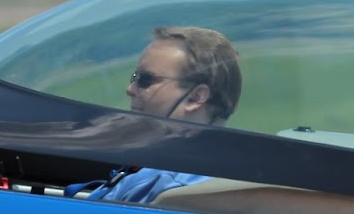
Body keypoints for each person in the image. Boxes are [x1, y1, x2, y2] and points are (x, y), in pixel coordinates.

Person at [86, 25, 242, 204]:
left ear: (195, 97)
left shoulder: (164, 184)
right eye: (134, 77)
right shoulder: (224, 165)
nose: (130, 89)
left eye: (146, 79)